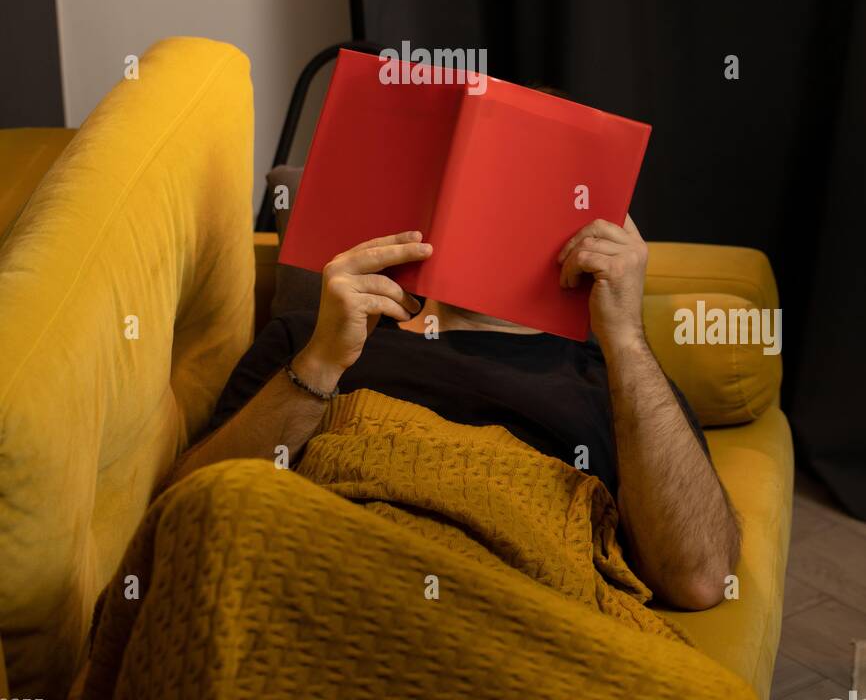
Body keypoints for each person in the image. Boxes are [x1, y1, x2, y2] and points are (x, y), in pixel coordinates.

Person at [169, 215, 740, 612]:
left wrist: (624, 336)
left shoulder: (616, 374)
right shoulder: (315, 335)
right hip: (323, 574)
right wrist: (321, 363)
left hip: (508, 609)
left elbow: (699, 577)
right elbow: (191, 512)